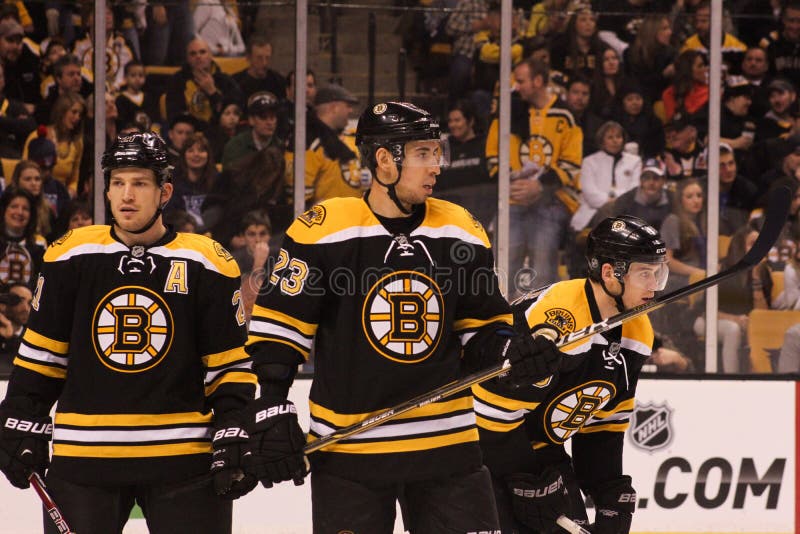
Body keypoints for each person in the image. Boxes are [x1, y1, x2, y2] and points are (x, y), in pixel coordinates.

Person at [243, 102, 560, 533]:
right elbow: (280, 330)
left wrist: (513, 354)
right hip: (350, 451)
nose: (436, 167)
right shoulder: (324, 229)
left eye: (437, 153)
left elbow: (484, 330)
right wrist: (273, 405)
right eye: (424, 154)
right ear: (384, 160)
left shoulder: (460, 229)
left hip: (448, 448)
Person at [0, 132, 258, 533]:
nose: (127, 195)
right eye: (118, 182)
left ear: (165, 191)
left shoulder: (207, 261)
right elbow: (42, 356)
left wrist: (235, 426)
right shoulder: (70, 255)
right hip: (85, 462)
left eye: (140, 183)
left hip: (184, 462)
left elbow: (228, 365)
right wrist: (19, 416)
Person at [474, 215, 668, 532]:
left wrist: (609, 494)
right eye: (645, 273)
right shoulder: (560, 315)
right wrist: (530, 483)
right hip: (480, 450)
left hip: (542, 452)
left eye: (658, 273)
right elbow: (490, 418)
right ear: (610, 274)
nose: (655, 286)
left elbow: (603, 425)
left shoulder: (637, 329)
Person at [486, 57, 582, 295]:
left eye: (521, 81)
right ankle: (502, 317)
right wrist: (512, 185)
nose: (516, 87)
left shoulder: (565, 115)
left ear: (538, 81)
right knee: (503, 261)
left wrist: (540, 187)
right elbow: (492, 156)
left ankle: (541, 321)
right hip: (513, 200)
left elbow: (571, 165)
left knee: (542, 258)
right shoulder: (509, 112)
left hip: (551, 201)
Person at [570, 121, 641, 233]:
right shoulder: (589, 162)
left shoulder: (635, 161)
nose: (615, 141)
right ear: (602, 141)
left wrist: (616, 203)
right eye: (610, 137)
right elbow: (590, 193)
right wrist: (611, 203)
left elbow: (634, 190)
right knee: (608, 215)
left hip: (627, 212)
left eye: (618, 137)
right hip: (594, 212)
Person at [436, 99, 495, 229]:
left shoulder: (485, 144)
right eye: (450, 121)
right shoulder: (445, 147)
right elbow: (440, 181)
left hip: (480, 214)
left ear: (471, 121)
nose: (453, 125)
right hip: (450, 216)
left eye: (457, 120)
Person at [221, 91, 282, 172]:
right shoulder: (235, 146)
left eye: (272, 117)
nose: (269, 122)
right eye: (263, 117)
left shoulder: (280, 146)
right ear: (251, 120)